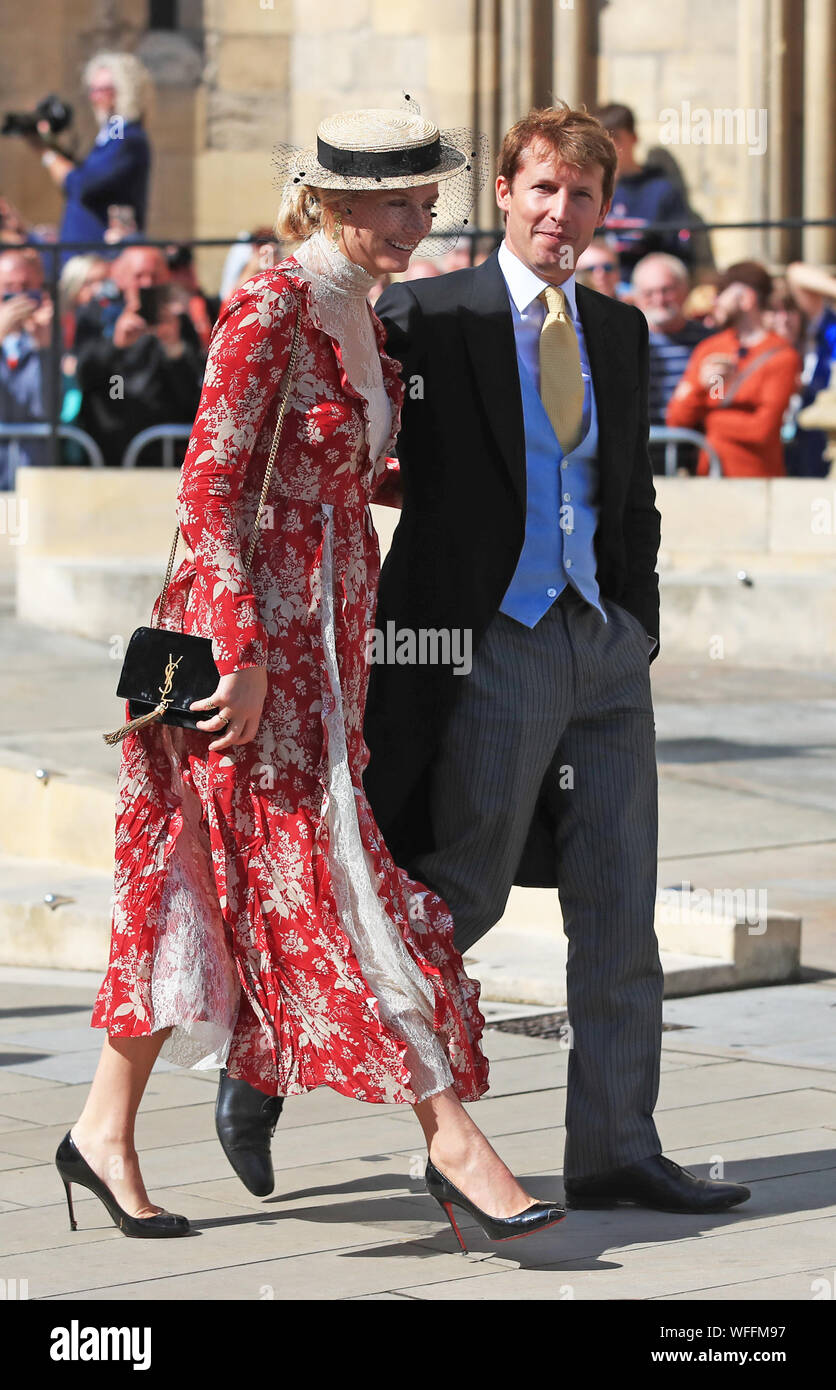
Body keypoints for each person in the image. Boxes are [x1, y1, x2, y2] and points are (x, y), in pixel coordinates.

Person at [58, 107, 563, 1251]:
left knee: (201, 889)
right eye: (395, 200)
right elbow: (207, 487)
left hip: (328, 647)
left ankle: (101, 1129)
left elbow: (338, 475)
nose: (418, 218)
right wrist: (237, 654)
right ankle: (451, 1139)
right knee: (331, 880)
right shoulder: (273, 301)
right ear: (332, 200)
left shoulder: (365, 318)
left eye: (426, 199)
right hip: (247, 653)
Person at [360, 102, 750, 1215]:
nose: (559, 212)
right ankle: (269, 1051)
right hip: (495, 641)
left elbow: (632, 495)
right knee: (460, 890)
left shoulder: (618, 333)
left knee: (620, 909)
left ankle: (616, 1145)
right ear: (503, 195)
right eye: (541, 188)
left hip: (602, 651)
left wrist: (637, 620)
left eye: (581, 194)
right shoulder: (430, 316)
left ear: (602, 207)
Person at [73, 244, 204, 466]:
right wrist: (115, 345)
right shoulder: (97, 315)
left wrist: (175, 348)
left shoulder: (179, 321)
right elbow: (84, 375)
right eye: (139, 276)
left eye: (155, 276)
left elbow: (195, 392)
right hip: (108, 450)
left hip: (166, 451)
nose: (147, 284)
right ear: (120, 278)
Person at [666, 260, 801, 477]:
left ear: (746, 298)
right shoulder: (712, 348)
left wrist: (709, 423)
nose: (714, 300)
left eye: (721, 292)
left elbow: (762, 430)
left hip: (758, 485)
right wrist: (700, 387)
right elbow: (677, 419)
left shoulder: (783, 357)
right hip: (710, 480)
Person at [21, 52, 152, 268]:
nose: (96, 98)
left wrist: (47, 153)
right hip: (83, 257)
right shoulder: (116, 130)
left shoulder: (123, 130)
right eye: (93, 90)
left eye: (104, 90)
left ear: (124, 91)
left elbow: (82, 184)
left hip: (96, 261)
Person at [596, 103, 695, 288]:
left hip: (646, 288)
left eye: (616, 138)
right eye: (602, 140)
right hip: (596, 284)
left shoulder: (661, 191)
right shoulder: (590, 186)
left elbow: (678, 253)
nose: (609, 147)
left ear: (633, 138)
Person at [631, 252, 712, 474]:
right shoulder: (625, 339)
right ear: (636, 296)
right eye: (649, 292)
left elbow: (720, 397)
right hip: (637, 456)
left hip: (694, 456)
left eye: (667, 290)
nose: (659, 299)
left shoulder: (710, 341)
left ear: (685, 290)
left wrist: (713, 386)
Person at [0, 247, 55, 488]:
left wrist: (46, 350)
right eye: (9, 289)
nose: (18, 297)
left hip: (35, 475)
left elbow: (51, 408)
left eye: (26, 287)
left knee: (23, 525)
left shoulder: (52, 336)